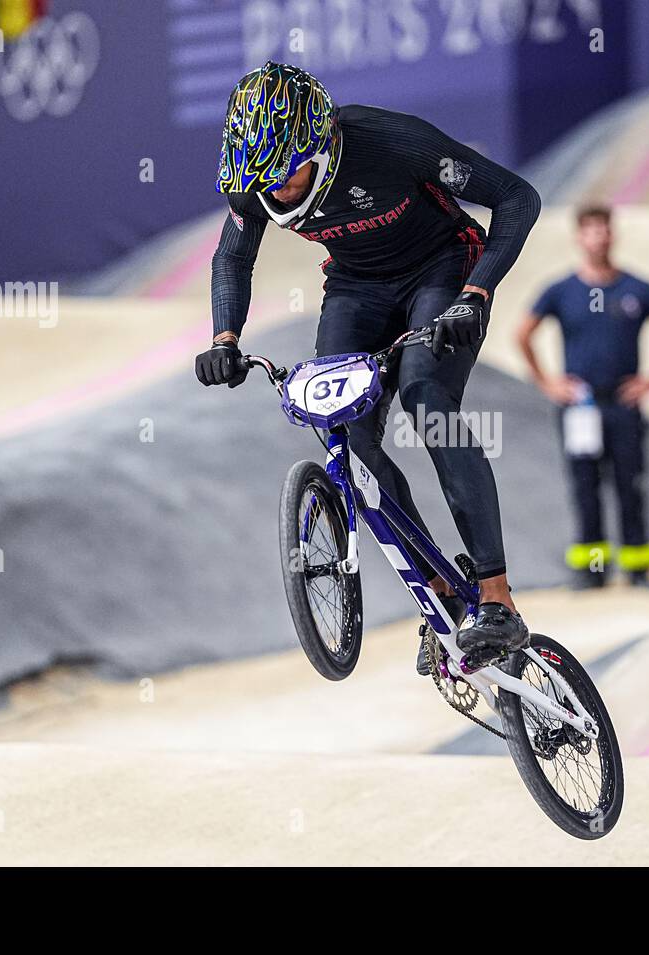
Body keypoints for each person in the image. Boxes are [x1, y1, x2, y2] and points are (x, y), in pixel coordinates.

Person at [195, 62, 542, 667]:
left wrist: (476, 293)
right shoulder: (252, 182)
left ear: (321, 145)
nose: (276, 192)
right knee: (344, 434)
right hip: (356, 287)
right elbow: (232, 261)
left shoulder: (391, 140)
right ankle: (442, 598)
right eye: (264, 184)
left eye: (287, 176)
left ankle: (496, 598)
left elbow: (517, 198)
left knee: (425, 399)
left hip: (441, 270)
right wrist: (225, 337)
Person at [517, 206, 649, 589]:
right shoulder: (560, 291)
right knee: (585, 486)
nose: (599, 238)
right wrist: (546, 382)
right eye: (591, 231)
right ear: (579, 238)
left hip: (623, 404)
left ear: (614, 235)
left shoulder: (636, 289)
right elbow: (523, 334)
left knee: (631, 483)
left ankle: (638, 567)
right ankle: (592, 570)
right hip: (580, 406)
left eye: (604, 230)